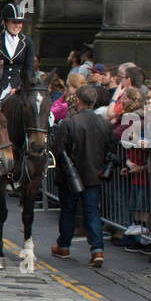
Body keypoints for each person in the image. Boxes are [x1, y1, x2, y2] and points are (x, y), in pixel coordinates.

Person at [51, 83, 114, 267]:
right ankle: (97, 250)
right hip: (93, 173)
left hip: (71, 175)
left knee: (68, 211)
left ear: (78, 100)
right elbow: (110, 149)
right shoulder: (104, 123)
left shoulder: (69, 123)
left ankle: (64, 245)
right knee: (92, 211)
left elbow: (58, 150)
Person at [0, 3, 36, 99]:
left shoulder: (27, 42)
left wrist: (19, 87)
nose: (17, 26)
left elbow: (29, 69)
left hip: (19, 89)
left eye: (20, 22)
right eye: (14, 22)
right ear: (5, 22)